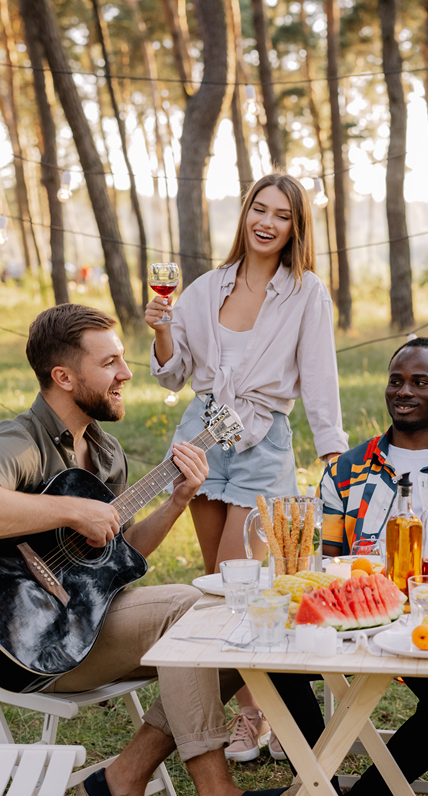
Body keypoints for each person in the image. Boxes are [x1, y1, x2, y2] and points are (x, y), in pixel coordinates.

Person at [0, 304, 284, 796]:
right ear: (64, 377)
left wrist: (178, 501)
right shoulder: (23, 440)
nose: (125, 374)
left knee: (230, 635)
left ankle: (123, 777)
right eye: (110, 363)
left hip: (86, 619)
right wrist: (72, 512)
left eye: (123, 359)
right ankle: (217, 793)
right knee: (191, 610)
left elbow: (119, 557)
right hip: (32, 637)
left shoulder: (104, 451)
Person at [270, 336, 428, 796]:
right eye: (396, 381)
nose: (403, 391)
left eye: (420, 381)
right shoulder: (344, 471)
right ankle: (319, 786)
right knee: (273, 669)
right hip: (353, 619)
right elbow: (328, 563)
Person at [147, 172, 348, 759]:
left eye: (281, 215)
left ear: (295, 227)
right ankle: (243, 714)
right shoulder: (206, 288)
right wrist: (162, 331)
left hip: (263, 439)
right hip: (201, 438)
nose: (266, 222)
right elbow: (173, 372)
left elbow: (319, 376)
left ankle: (256, 715)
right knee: (215, 580)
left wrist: (332, 451)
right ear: (245, 215)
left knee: (243, 580)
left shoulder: (306, 292)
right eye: (258, 210)